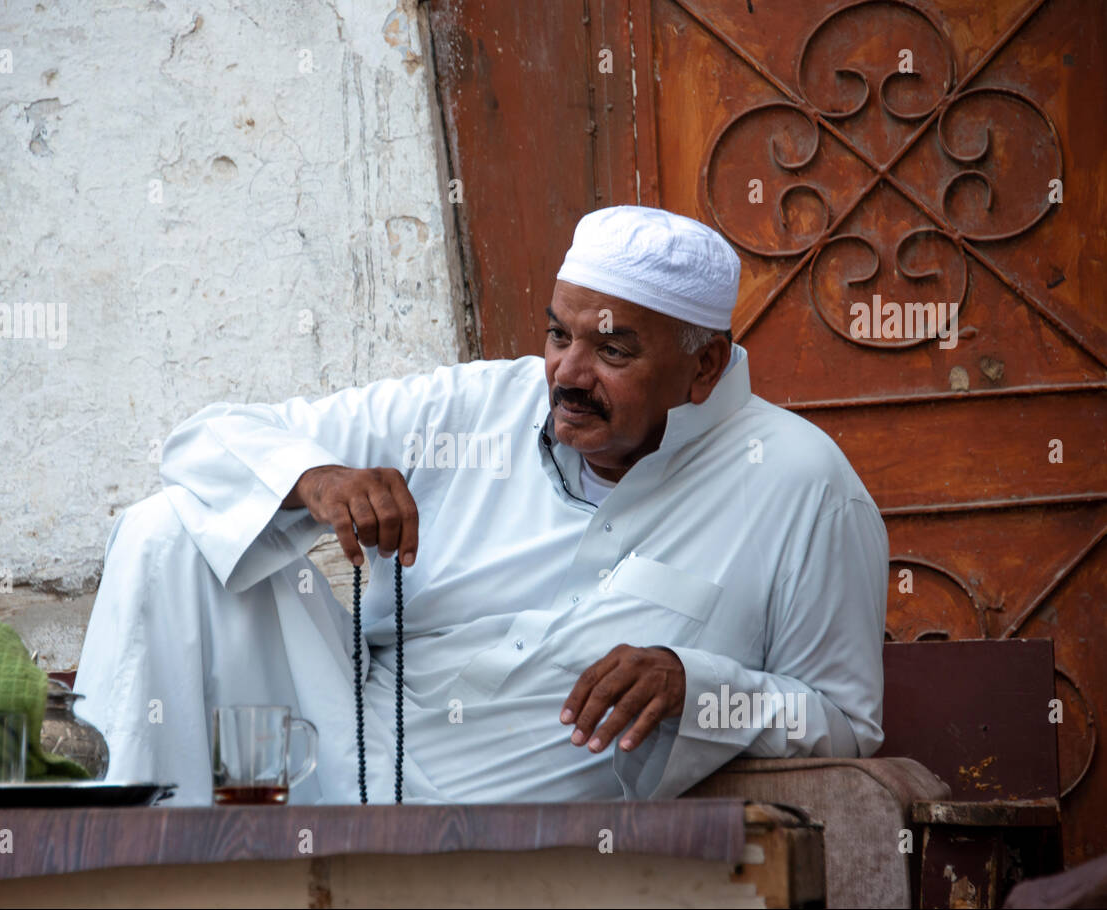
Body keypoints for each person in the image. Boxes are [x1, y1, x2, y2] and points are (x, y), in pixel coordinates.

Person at [74, 205, 889, 806]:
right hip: (339, 743)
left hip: (500, 822)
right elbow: (206, 442)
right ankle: (117, 864)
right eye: (558, 336)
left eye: (612, 350)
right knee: (169, 531)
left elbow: (845, 720)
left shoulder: (801, 485)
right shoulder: (463, 411)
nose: (568, 374)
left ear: (704, 366)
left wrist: (693, 685)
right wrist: (315, 479)